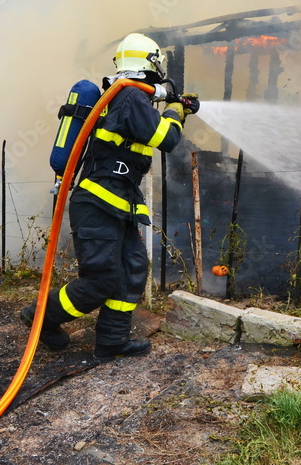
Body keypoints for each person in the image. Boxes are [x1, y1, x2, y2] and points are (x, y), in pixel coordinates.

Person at [21, 32, 198, 361]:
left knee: (132, 268)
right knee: (100, 280)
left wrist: (174, 108)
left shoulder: (128, 98)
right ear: (150, 64)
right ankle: (39, 318)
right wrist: (176, 111)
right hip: (98, 204)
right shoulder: (130, 96)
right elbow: (167, 138)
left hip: (117, 206)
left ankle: (112, 341)